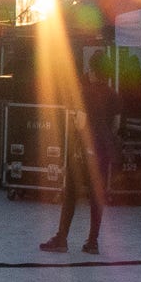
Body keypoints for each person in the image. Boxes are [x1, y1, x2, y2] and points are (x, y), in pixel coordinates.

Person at [44, 63, 114, 252]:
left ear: (94, 72)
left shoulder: (86, 93)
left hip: (84, 150)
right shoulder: (113, 94)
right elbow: (116, 124)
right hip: (103, 149)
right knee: (96, 197)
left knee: (71, 193)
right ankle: (93, 242)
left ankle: (61, 239)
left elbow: (81, 122)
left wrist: (75, 121)